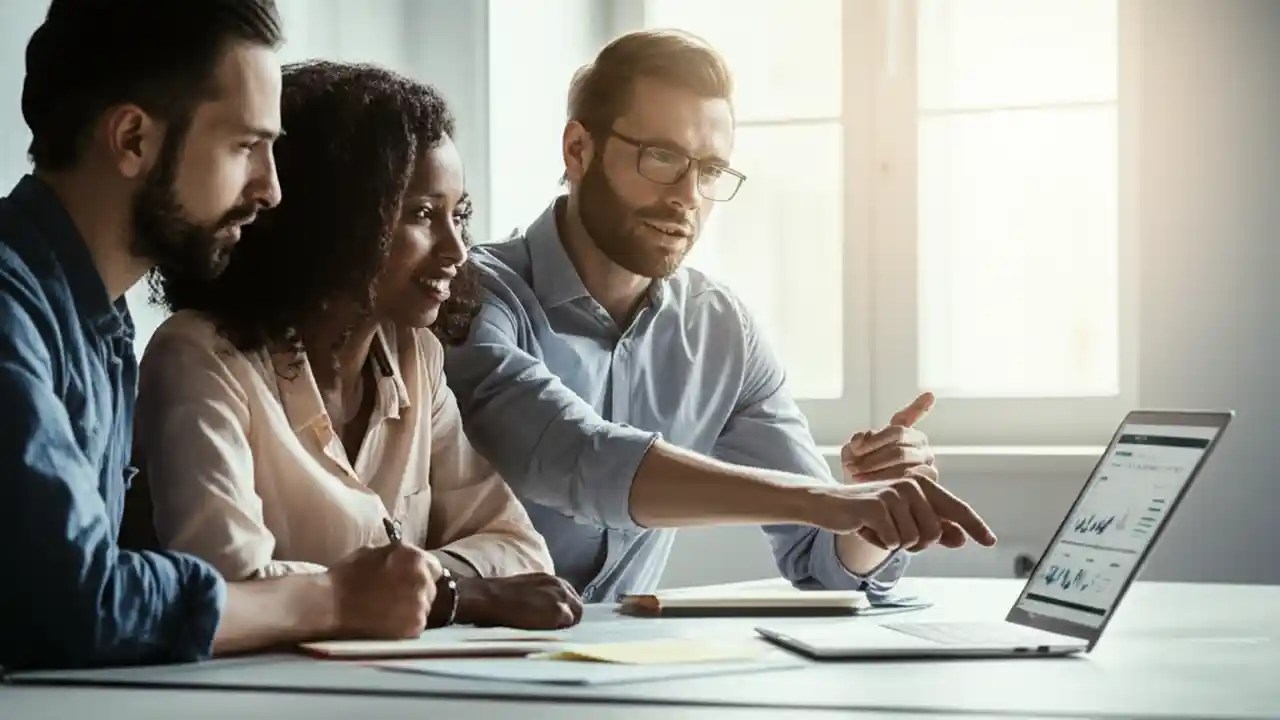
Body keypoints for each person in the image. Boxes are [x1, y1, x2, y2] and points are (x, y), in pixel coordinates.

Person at [444, 29, 998, 603]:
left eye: (710, 170)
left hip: (617, 654)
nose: (688, 195)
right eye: (662, 157)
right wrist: (828, 500)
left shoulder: (721, 332)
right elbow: (579, 457)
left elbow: (821, 559)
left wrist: (878, 509)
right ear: (578, 150)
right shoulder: (469, 295)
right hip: (460, 647)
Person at [0, 1, 444, 671]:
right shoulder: (12, 309)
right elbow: (77, 600)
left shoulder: (99, 326)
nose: (271, 189)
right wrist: (330, 599)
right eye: (245, 147)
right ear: (132, 140)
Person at [137, 61, 583, 632]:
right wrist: (458, 595)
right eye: (423, 215)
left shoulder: (416, 358)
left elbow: (520, 549)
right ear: (332, 218)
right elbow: (226, 584)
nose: (456, 250)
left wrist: (411, 587)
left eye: (459, 215)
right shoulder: (199, 357)